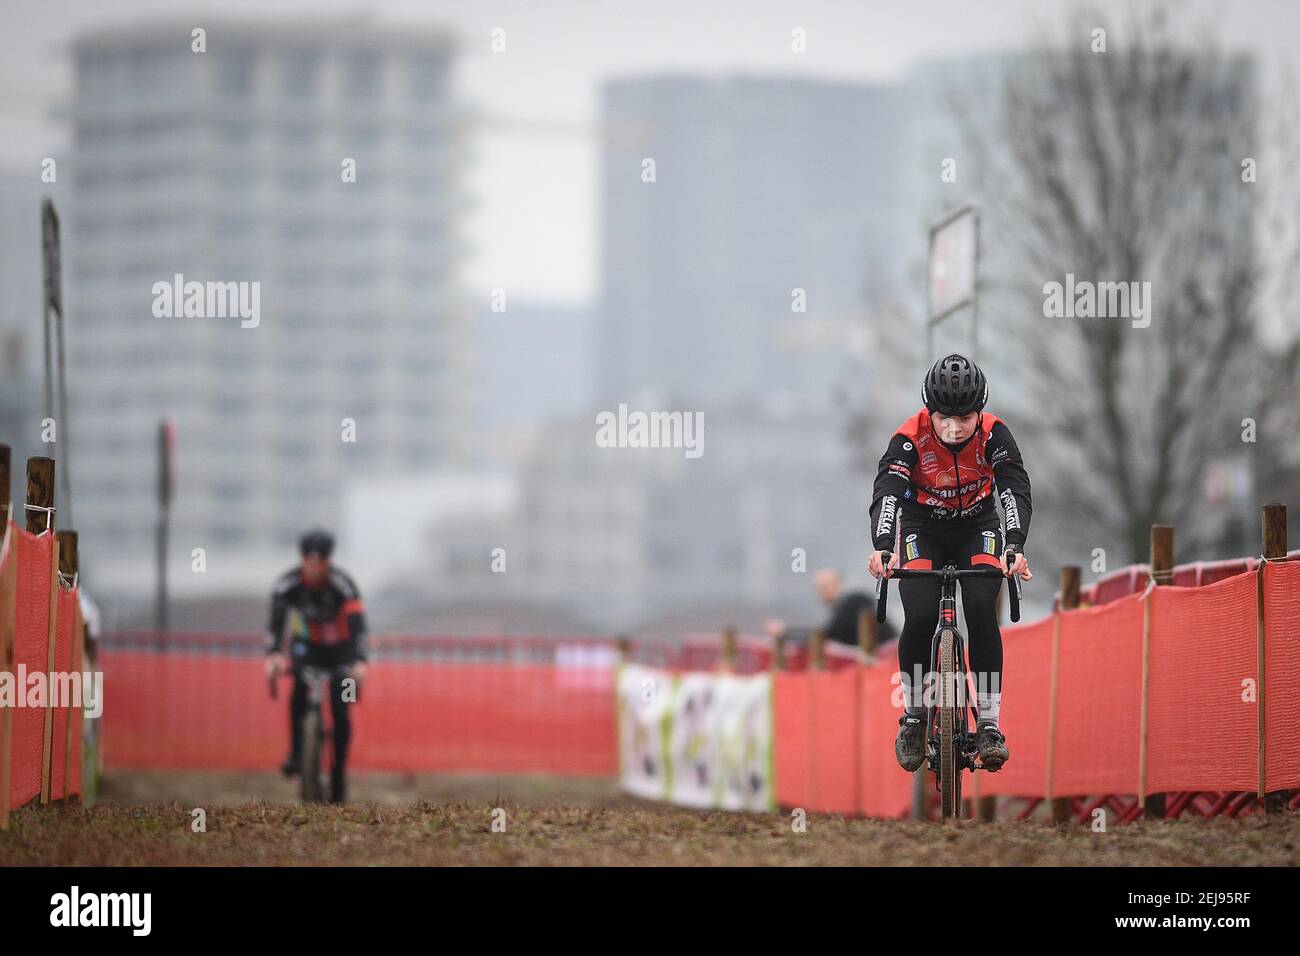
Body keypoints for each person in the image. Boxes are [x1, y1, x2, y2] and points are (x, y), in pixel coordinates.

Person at [866, 354, 1033, 773]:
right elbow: (888, 492)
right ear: (929, 411)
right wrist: (883, 545)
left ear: (980, 412)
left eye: (964, 418)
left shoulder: (996, 435)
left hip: (978, 525)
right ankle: (914, 717)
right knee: (920, 615)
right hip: (923, 527)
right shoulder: (908, 438)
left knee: (979, 608)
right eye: (944, 418)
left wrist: (1014, 544)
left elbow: (1013, 487)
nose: (954, 429)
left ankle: (990, 723)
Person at [264, 528, 368, 804]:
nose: (314, 567)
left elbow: (359, 627)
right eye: (309, 560)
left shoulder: (343, 585)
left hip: (341, 653)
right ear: (302, 559)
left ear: (328, 561)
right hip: (306, 649)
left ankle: (338, 775)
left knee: (341, 709)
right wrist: (273, 653)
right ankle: (297, 754)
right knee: (298, 688)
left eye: (320, 561)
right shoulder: (287, 585)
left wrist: (360, 661)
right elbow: (276, 621)